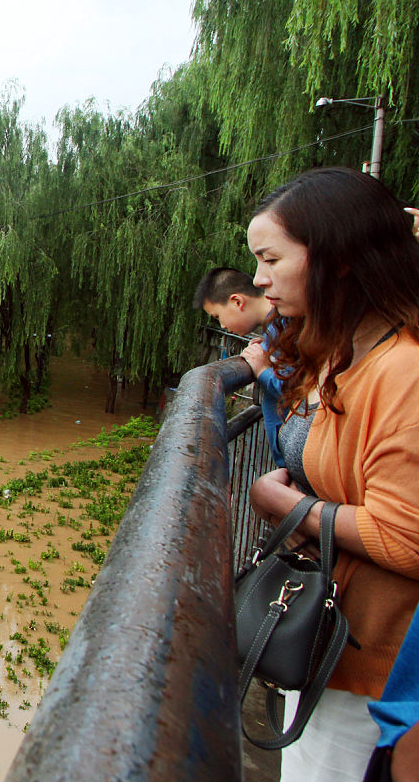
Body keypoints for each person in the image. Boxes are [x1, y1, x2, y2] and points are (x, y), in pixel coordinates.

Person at [246, 167, 419, 781]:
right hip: (326, 638)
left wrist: (289, 508)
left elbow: (406, 536)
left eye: (270, 258)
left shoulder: (403, 374)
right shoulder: (346, 352)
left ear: (339, 258)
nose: (259, 280)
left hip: (368, 662)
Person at [194, 267, 285, 466]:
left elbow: (298, 390)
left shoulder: (281, 328)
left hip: (297, 455)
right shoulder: (274, 330)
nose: (223, 327)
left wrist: (262, 369)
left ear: (237, 301)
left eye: (218, 316)